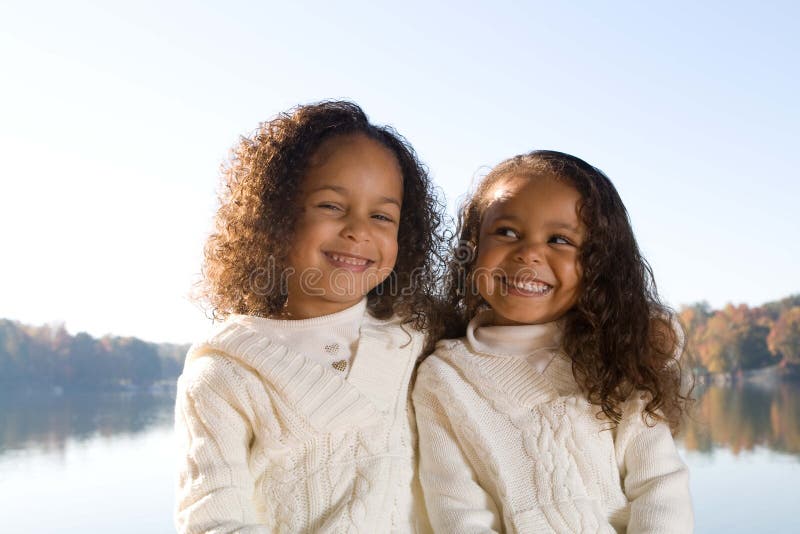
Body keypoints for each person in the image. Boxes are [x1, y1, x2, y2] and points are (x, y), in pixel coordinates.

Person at [174, 101, 443, 533]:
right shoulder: (224, 374)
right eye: (331, 206)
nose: (359, 230)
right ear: (274, 215)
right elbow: (213, 522)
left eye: (381, 216)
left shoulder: (417, 337)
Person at [413, 150, 694, 533]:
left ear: (596, 265)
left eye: (560, 239)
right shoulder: (444, 378)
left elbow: (660, 489)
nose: (529, 253)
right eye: (507, 232)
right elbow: (458, 510)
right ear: (472, 245)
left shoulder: (617, 358)